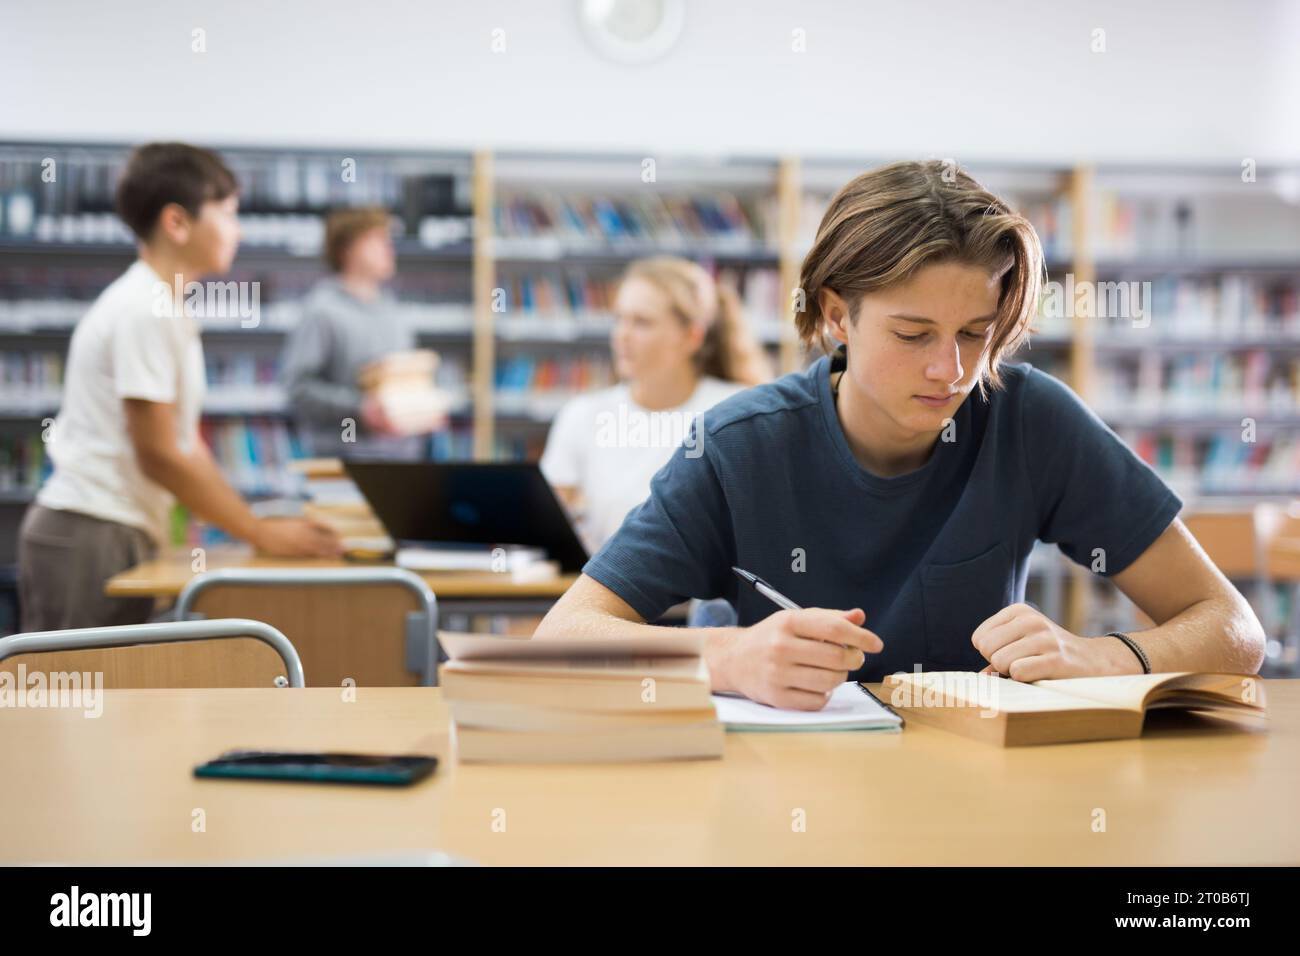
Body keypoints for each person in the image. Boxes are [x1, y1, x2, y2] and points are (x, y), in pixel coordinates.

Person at [534, 160, 1266, 709]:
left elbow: (1233, 627)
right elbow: (563, 640)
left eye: (976, 333)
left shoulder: (1029, 417)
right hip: (771, 797)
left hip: (970, 793)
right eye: (913, 333)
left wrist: (1104, 656)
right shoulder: (739, 444)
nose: (950, 369)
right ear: (837, 315)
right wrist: (726, 657)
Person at [19, 142, 340, 632]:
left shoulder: (161, 303)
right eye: (229, 213)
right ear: (177, 222)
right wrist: (256, 531)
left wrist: (245, 522)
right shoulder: (147, 308)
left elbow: (181, 444)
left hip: (109, 527)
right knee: (80, 701)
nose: (239, 229)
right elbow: (160, 453)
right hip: (89, 530)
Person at [540, 256, 769, 553]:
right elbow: (546, 525)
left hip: (705, 595)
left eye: (642, 322)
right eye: (619, 319)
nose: (622, 335)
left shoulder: (737, 410)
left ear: (691, 336)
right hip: (608, 589)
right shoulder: (583, 415)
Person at [282, 207, 431, 459]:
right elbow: (298, 390)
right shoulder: (322, 311)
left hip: (401, 457)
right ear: (347, 249)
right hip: (345, 464)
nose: (388, 249)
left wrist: (422, 407)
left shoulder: (392, 309)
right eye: (377, 240)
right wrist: (360, 408)